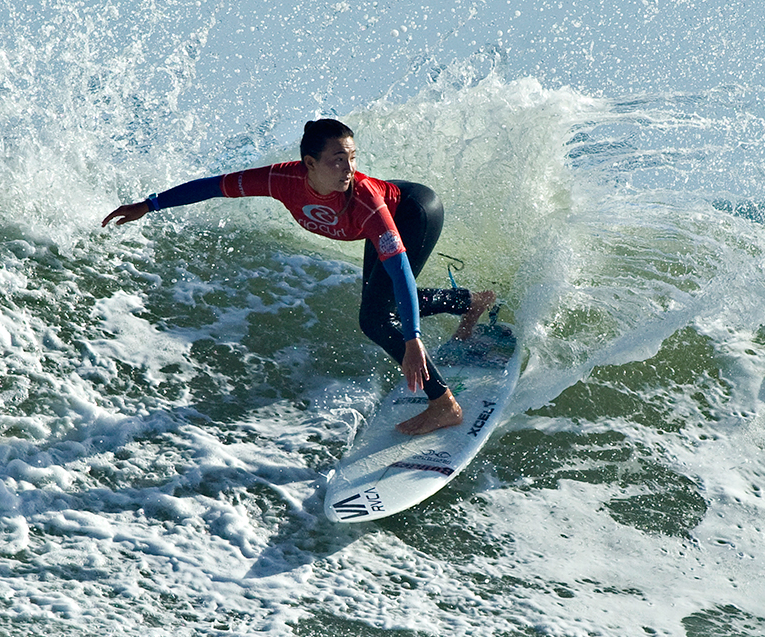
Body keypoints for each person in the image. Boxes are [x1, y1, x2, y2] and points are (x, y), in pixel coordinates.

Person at [102, 119, 495, 435]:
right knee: (380, 306)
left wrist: (412, 340)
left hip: (414, 212)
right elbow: (214, 187)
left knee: (376, 317)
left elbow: (402, 274)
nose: (349, 168)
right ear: (309, 163)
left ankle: (443, 403)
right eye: (337, 160)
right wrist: (149, 205)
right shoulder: (281, 180)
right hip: (391, 209)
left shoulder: (365, 201)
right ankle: (470, 302)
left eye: (353, 158)